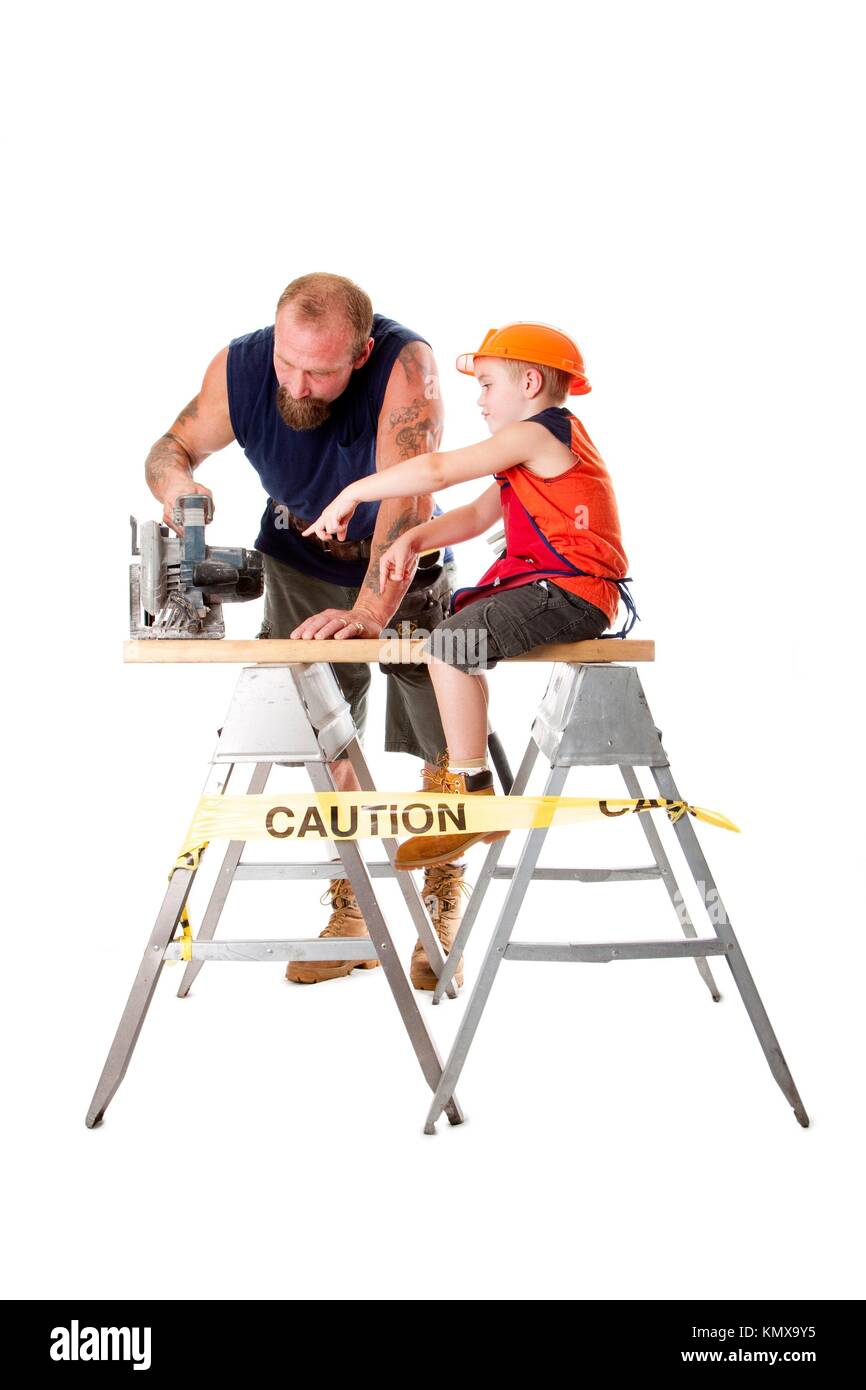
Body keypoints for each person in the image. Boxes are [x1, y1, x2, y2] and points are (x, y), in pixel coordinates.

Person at [144, 272, 468, 988]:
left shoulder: (405, 367)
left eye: (319, 372)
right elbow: (171, 446)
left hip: (398, 562)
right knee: (326, 736)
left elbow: (409, 500)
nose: (297, 383)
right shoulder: (241, 367)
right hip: (296, 558)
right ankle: (354, 905)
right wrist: (177, 486)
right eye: (288, 363)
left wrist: (368, 615)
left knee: (442, 735)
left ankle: (442, 895)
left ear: (358, 355)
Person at [302, 321, 637, 871]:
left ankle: (472, 792)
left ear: (529, 382)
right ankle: (474, 786)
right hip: (559, 590)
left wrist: (353, 491)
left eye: (486, 385)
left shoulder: (540, 432)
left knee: (447, 648)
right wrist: (413, 536)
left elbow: (439, 469)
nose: (479, 400)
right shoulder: (531, 451)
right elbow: (479, 514)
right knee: (455, 645)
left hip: (570, 591)